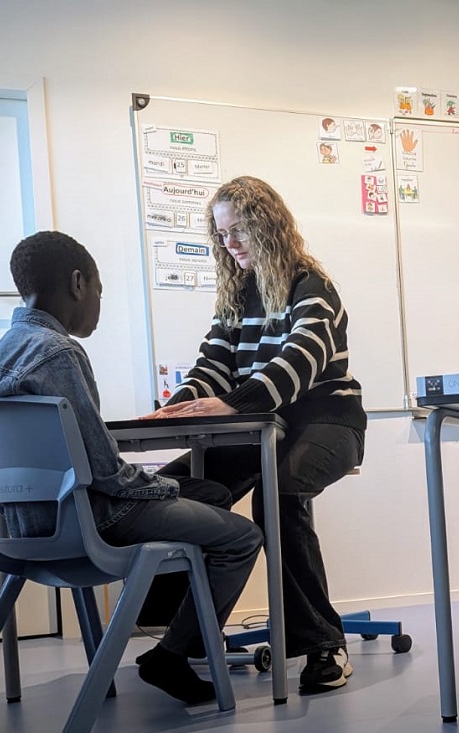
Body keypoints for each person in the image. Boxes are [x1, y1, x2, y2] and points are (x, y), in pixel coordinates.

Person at [0, 231, 264, 705]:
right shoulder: (61, 352)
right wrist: (161, 487)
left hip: (17, 526)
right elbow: (106, 475)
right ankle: (170, 655)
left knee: (209, 493)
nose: (98, 304)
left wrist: (169, 487)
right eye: (100, 291)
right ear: (77, 283)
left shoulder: (1, 353)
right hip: (89, 521)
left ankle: (168, 630)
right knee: (241, 537)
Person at [144, 176, 367, 695]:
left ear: (267, 225)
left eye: (239, 231)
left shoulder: (312, 286)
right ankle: (182, 641)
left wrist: (234, 402)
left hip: (328, 421)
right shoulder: (236, 296)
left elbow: (301, 361)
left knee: (278, 495)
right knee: (175, 489)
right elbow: (211, 367)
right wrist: (176, 409)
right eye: (222, 236)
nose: (230, 244)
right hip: (265, 423)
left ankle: (322, 644)